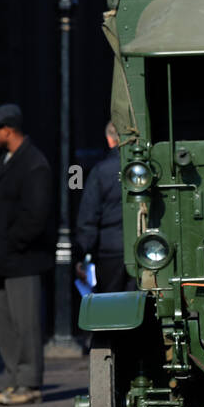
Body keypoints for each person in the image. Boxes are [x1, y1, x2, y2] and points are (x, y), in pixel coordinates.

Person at [0, 104, 54, 406]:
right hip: (1, 261)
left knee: (26, 325)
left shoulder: (34, 164)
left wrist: (10, 244)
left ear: (8, 129)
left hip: (22, 261)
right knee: (5, 325)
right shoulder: (5, 161)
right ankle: (14, 382)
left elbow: (35, 216)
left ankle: (29, 384)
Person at [75, 121, 132, 293]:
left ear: (110, 140)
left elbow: (88, 218)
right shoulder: (148, 167)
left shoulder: (100, 171)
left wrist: (83, 255)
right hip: (143, 249)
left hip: (109, 250)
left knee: (111, 303)